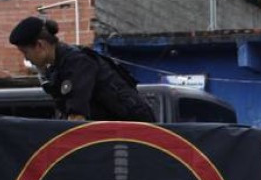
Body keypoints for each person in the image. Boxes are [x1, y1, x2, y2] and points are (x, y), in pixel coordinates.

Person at [8, 16, 155, 122]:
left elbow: (76, 117)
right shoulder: (58, 67)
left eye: (25, 52)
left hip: (135, 132)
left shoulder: (77, 63)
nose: (26, 59)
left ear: (40, 46)